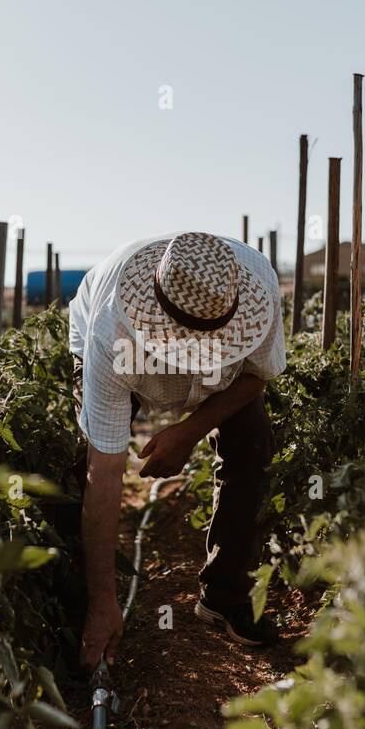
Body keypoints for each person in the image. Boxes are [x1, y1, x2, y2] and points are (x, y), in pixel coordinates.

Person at [68, 230, 286, 672]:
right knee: (80, 462)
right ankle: (85, 601)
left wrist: (189, 432)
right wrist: (104, 603)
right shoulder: (113, 331)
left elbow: (257, 375)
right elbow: (105, 470)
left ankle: (225, 598)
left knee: (253, 444)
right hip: (119, 355)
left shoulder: (260, 291)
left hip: (223, 385)